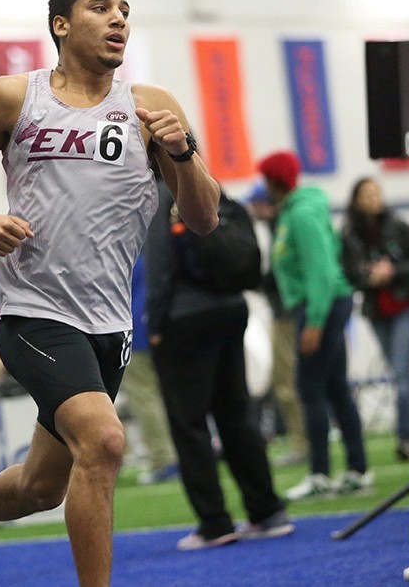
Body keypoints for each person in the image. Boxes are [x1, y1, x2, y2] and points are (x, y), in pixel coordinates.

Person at [0, 0, 220, 587]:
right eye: (101, 7)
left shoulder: (152, 108)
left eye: (125, 9)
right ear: (62, 25)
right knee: (106, 441)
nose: (119, 18)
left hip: (108, 325)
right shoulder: (12, 98)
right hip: (34, 313)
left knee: (41, 487)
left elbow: (203, 217)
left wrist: (182, 152)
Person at [146, 175, 293, 550]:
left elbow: (160, 260)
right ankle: (267, 512)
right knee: (236, 414)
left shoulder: (160, 195)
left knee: (189, 423)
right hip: (230, 309)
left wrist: (156, 320)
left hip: (184, 318)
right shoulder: (207, 184)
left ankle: (214, 523)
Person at [258, 150, 371, 500]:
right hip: (320, 304)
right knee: (336, 388)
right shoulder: (295, 211)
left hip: (319, 305)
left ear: (276, 180)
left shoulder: (302, 215)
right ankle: (356, 469)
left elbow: (320, 271)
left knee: (311, 390)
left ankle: (321, 474)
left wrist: (315, 323)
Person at [341, 177, 409, 462]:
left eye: (376, 193)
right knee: (399, 374)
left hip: (404, 305)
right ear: (356, 199)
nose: (373, 198)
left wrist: (393, 271)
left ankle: (407, 438)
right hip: (376, 311)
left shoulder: (398, 225)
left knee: (402, 375)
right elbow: (348, 273)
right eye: (367, 194)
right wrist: (369, 276)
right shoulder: (349, 234)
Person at [245, 179, 308, 467]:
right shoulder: (274, 228)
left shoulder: (280, 229)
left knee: (287, 383)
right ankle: (303, 441)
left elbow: (273, 275)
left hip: (286, 313)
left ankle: (302, 443)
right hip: (283, 311)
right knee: (285, 382)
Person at [120, 253, 179, 485]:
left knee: (144, 397)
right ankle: (176, 454)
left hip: (137, 326)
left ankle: (164, 458)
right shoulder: (150, 243)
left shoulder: (126, 248)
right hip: (162, 322)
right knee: (165, 394)